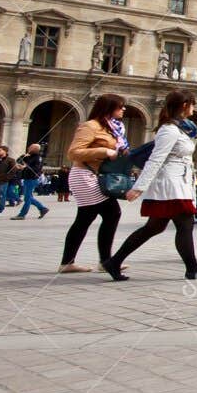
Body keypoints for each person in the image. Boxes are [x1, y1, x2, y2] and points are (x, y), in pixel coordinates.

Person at [103, 90, 197, 281]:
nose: (194, 108)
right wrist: (138, 187)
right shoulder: (169, 130)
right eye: (192, 104)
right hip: (171, 186)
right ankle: (192, 268)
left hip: (177, 183)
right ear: (184, 105)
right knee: (185, 225)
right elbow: (155, 160)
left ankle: (114, 262)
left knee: (154, 227)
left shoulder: (180, 128)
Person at [59, 93, 129, 273]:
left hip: (95, 176)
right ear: (108, 108)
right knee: (112, 213)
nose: (124, 109)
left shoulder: (114, 128)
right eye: (120, 106)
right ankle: (106, 262)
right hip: (85, 175)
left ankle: (68, 263)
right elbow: (74, 153)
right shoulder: (90, 126)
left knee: (84, 219)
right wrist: (105, 151)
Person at [10, 144, 50, 220]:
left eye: (30, 147)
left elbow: (36, 169)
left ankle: (22, 214)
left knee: (27, 198)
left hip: (32, 179)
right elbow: (18, 160)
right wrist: (23, 156)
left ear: (35, 149)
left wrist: (25, 167)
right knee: (29, 197)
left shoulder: (38, 158)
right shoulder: (28, 157)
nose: (28, 148)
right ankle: (42, 208)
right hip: (27, 178)